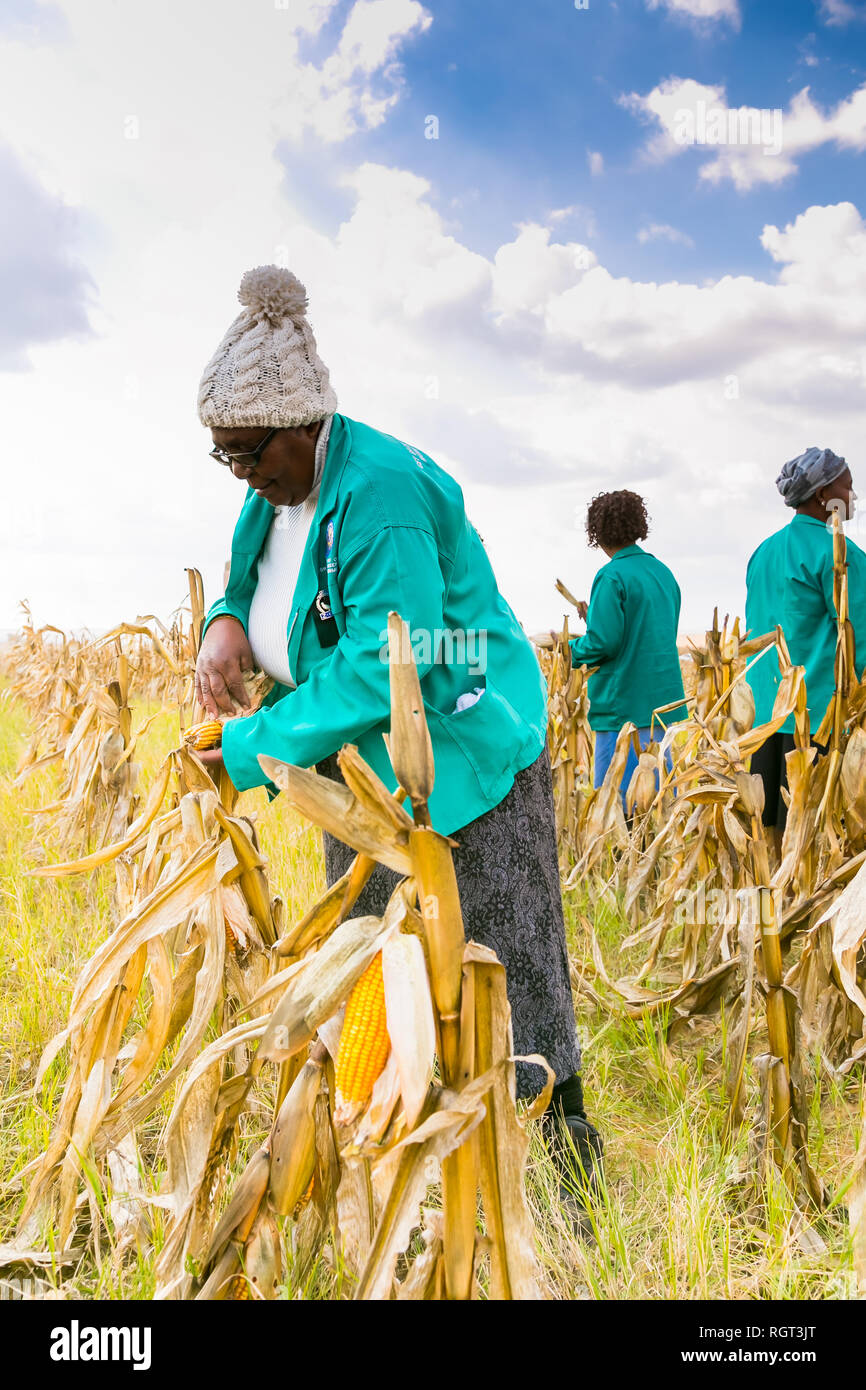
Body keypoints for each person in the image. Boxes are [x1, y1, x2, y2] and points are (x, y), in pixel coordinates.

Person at [192, 265, 602, 1210]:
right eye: (225, 458)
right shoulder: (276, 490)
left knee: (504, 968)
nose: (241, 476)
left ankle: (561, 1173)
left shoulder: (380, 498)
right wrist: (222, 620)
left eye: (249, 455)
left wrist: (253, 745)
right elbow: (251, 579)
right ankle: (407, 1168)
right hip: (359, 778)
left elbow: (388, 670)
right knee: (385, 968)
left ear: (304, 425)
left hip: (456, 761)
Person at [746, 447, 866, 843]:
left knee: (773, 837)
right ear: (821, 495)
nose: (853, 496)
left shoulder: (762, 553)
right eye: (847, 486)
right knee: (819, 836)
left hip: (768, 716)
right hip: (821, 721)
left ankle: (775, 905)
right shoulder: (841, 554)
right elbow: (859, 640)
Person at [567, 490, 687, 811]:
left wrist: (568, 650)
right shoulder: (663, 573)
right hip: (663, 708)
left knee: (617, 814)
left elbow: (603, 642)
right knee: (657, 809)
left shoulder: (611, 576)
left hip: (623, 713)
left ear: (598, 532)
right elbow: (647, 631)